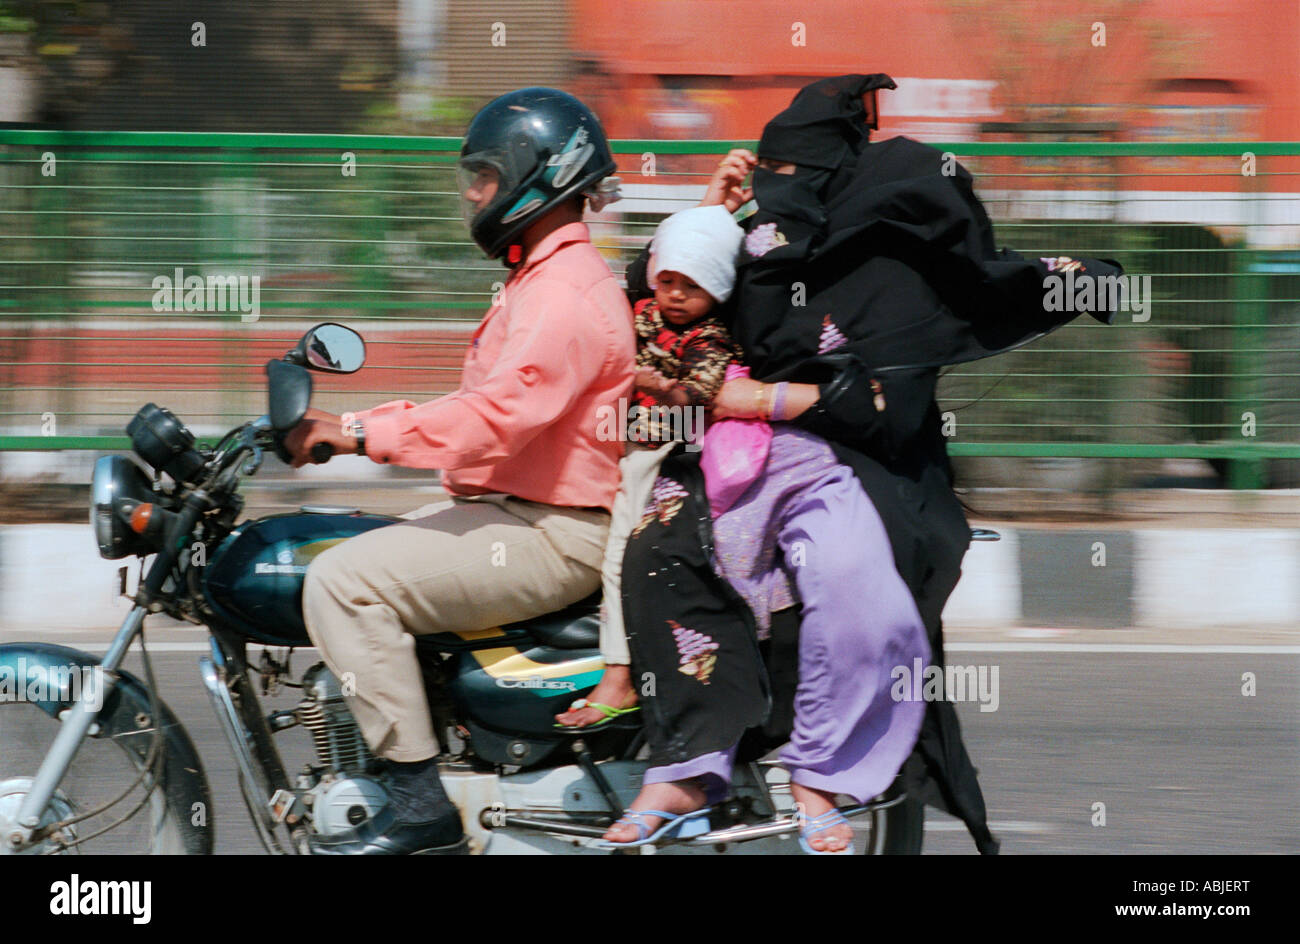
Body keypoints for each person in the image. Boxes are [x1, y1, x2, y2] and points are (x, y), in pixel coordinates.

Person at [602, 74, 1127, 853]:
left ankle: (822, 771)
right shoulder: (750, 239)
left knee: (858, 581)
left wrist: (1091, 284)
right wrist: (709, 214)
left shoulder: (897, 256)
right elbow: (653, 298)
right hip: (723, 457)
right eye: (768, 177)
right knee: (663, 547)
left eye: (791, 178)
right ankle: (682, 766)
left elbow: (970, 312)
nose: (777, 196)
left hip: (860, 460)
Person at [282, 87, 635, 855]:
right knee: (337, 552)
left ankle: (419, 810)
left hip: (554, 530)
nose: (473, 191)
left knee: (344, 583)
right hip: (518, 514)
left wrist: (353, 432)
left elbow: (493, 417)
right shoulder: (542, 279)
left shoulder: (567, 293)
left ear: (538, 176)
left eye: (485, 174)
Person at [554, 205, 743, 730]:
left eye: (693, 285)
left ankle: (620, 673)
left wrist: (655, 382)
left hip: (659, 455)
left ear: (719, 290)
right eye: (669, 281)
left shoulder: (711, 339)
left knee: (620, 558)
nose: (676, 294)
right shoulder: (642, 313)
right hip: (620, 445)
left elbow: (696, 398)